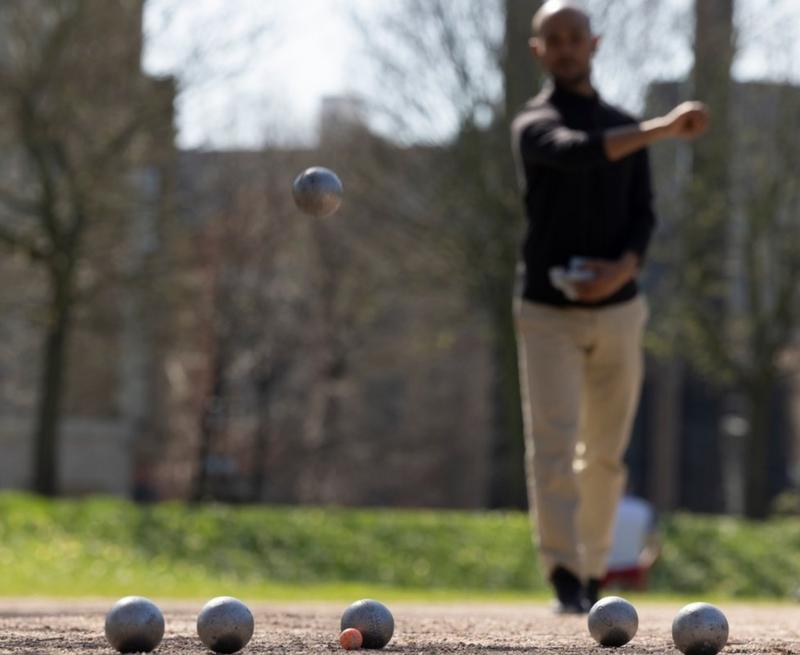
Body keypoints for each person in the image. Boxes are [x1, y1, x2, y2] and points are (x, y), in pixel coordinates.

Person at [510, 0, 708, 613]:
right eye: (554, 39)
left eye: (576, 36)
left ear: (593, 44)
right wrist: (664, 128)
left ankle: (595, 569)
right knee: (553, 441)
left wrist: (621, 271)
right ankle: (565, 574)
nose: (566, 47)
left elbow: (643, 217)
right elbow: (577, 151)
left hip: (620, 311)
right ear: (538, 50)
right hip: (546, 312)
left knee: (605, 452)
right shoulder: (533, 125)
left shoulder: (624, 123)